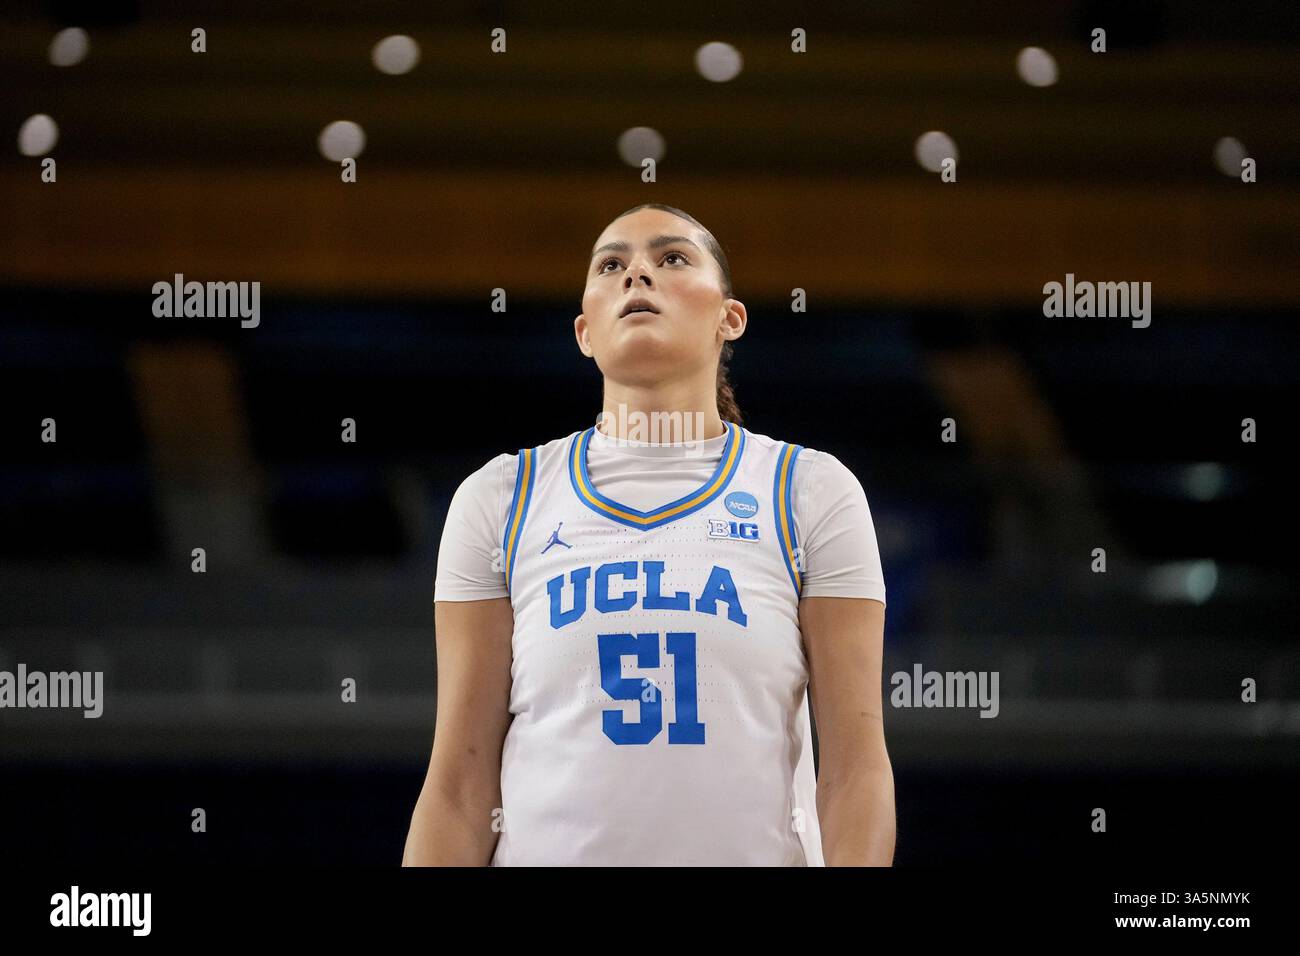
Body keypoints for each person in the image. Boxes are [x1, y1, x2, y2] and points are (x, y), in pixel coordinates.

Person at [402, 203, 893, 865]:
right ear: (584, 331)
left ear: (730, 317)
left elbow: (856, 770)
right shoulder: (500, 498)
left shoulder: (808, 491)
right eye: (612, 265)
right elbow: (459, 784)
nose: (637, 275)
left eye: (671, 259)